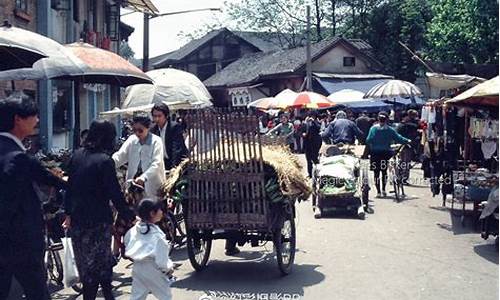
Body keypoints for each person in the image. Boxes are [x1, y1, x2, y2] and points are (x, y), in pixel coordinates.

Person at [0, 97, 66, 300]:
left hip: (8, 244)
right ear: (19, 119)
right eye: (34, 116)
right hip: (20, 243)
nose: (37, 120)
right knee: (38, 292)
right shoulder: (17, 158)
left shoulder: (8, 149)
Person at [64, 120, 135, 300]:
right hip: (98, 221)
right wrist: (128, 215)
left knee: (92, 265)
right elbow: (114, 193)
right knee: (97, 268)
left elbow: (69, 188)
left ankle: (108, 296)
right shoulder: (105, 161)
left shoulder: (76, 156)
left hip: (78, 221)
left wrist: (68, 213)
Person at [125, 199, 174, 300]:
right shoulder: (158, 235)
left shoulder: (133, 230)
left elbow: (127, 241)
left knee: (137, 297)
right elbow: (161, 260)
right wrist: (168, 268)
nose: (161, 212)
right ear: (152, 213)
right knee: (165, 296)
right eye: (160, 209)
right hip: (153, 268)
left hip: (137, 267)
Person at [113, 115, 166, 199]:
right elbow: (120, 156)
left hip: (152, 186)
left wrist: (143, 177)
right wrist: (108, 163)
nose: (137, 133)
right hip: (133, 186)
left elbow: (156, 164)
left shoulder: (156, 141)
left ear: (148, 128)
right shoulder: (131, 140)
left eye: (140, 130)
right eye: (134, 130)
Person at [366, 112, 411, 198]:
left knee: (376, 173)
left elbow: (368, 140)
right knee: (384, 172)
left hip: (375, 153)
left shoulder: (373, 129)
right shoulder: (390, 130)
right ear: (386, 120)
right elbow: (398, 138)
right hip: (385, 153)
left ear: (378, 119)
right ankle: (383, 190)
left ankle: (378, 192)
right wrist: (407, 140)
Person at [150, 103, 189, 170]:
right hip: (164, 164)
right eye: (154, 116)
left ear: (166, 116)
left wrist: (174, 167)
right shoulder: (153, 130)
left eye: (159, 116)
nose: (157, 119)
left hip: (178, 164)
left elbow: (176, 149)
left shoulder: (174, 127)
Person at [303, 111, 323, 178]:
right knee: (308, 159)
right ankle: (310, 174)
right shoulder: (305, 123)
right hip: (307, 143)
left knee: (315, 158)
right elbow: (300, 131)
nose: (311, 117)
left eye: (313, 116)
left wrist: (314, 121)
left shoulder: (317, 122)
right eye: (310, 116)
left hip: (315, 143)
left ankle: (319, 173)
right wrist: (303, 133)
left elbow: (318, 128)